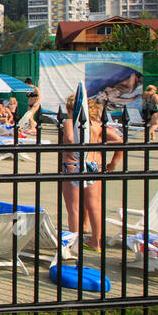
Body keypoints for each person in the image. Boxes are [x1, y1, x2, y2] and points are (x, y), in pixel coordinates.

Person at [59, 93, 125, 250]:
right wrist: (112, 164)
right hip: (94, 165)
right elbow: (120, 142)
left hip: (73, 165)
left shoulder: (70, 122)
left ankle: (73, 243)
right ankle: (96, 241)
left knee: (73, 207)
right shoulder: (96, 125)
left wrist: (77, 139)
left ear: (71, 110)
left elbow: (69, 139)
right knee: (94, 205)